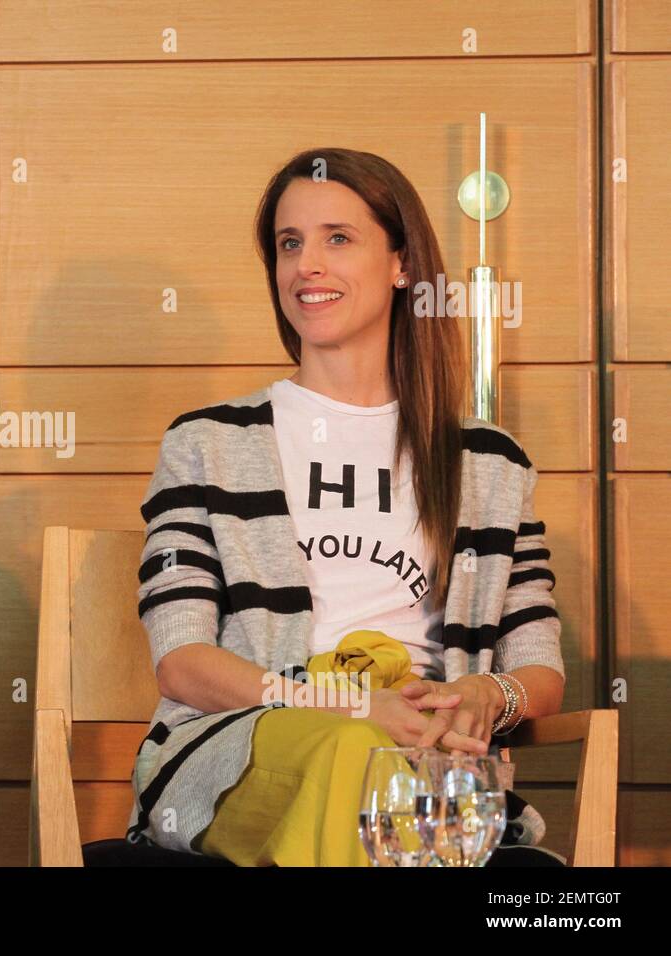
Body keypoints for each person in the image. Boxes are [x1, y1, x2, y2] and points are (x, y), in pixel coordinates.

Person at [126, 147, 566, 866]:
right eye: (290, 243)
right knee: (360, 752)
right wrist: (358, 708)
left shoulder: (489, 464)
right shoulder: (209, 442)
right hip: (242, 752)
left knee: (388, 772)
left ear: (401, 264)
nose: (307, 265)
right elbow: (184, 665)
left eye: (338, 238)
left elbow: (538, 672)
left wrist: (489, 694)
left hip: (433, 766)